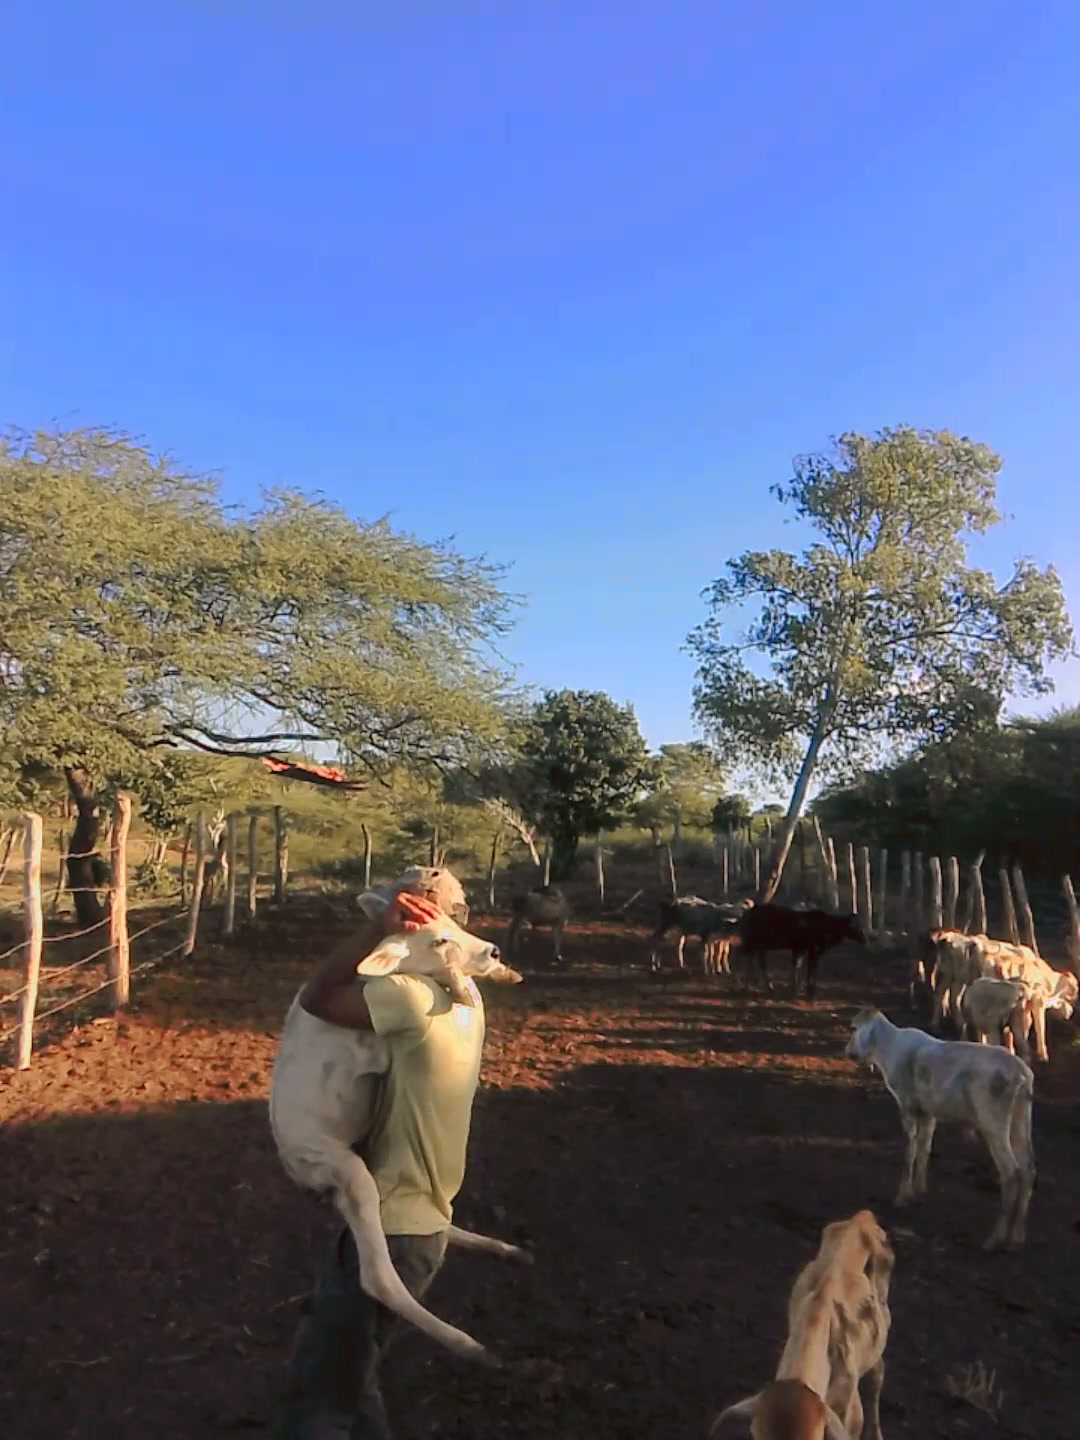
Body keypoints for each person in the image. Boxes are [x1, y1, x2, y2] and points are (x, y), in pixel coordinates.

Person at [277, 888, 487, 1440]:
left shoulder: (411, 999)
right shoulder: (469, 999)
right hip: (421, 1223)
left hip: (393, 1226)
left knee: (318, 1401)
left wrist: (375, 933)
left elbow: (318, 997)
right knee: (352, 1377)